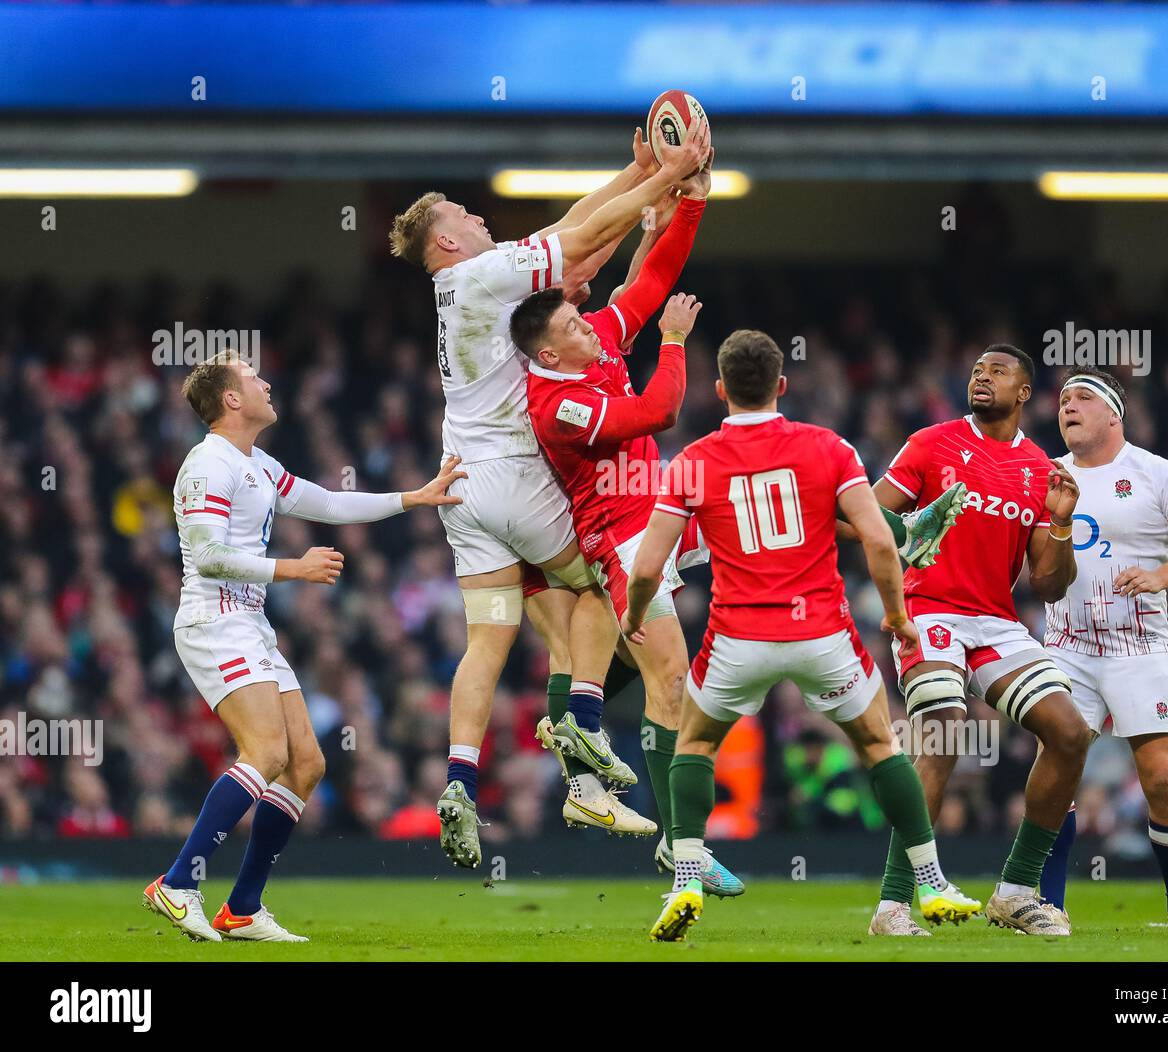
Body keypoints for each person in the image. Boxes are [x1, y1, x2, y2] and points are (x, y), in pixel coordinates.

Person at [387, 121, 710, 867]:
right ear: (446, 244)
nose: (478, 218)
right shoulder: (481, 275)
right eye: (463, 217)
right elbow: (584, 235)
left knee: (491, 638)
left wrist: (636, 175)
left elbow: (576, 230)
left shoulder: (467, 288)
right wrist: (672, 174)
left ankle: (461, 780)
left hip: (460, 488)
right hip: (514, 477)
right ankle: (582, 751)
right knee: (605, 582)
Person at [621, 329, 981, 942]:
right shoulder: (829, 447)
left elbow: (648, 567)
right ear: (782, 385)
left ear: (719, 390)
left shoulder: (692, 463)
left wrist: (632, 618)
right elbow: (878, 539)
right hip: (822, 633)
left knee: (695, 747)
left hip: (737, 638)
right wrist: (896, 617)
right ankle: (930, 881)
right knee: (878, 747)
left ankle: (685, 876)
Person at [144, 351, 464, 942]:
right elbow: (208, 555)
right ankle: (178, 883)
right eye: (252, 378)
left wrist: (412, 498)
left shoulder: (256, 464)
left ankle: (242, 908)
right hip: (212, 622)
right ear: (231, 400)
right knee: (264, 752)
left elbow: (330, 503)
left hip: (249, 623)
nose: (267, 382)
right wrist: (292, 568)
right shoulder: (206, 465)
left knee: (307, 763)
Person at [870, 344, 1090, 936]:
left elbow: (1049, 585)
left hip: (995, 620)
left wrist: (1063, 522)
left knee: (1070, 733)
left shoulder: (1041, 469)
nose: (982, 377)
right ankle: (893, 905)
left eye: (998, 371)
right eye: (976, 370)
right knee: (942, 727)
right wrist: (908, 526)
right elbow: (858, 514)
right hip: (930, 608)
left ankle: (1015, 892)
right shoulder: (930, 443)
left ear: (1024, 393)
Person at [1037, 365, 1168, 935]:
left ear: (1112, 413)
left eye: (1080, 399)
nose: (1066, 407)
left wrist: (1162, 575)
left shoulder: (1155, 472)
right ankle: (1050, 903)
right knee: (1057, 774)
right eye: (1062, 400)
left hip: (1138, 646)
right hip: (1067, 644)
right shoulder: (1046, 474)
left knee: (1162, 780)